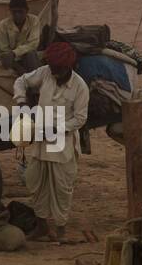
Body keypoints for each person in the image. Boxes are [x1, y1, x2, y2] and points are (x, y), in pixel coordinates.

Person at [13, 41, 89, 243]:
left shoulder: (80, 86)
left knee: (62, 188)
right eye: (53, 68)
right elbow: (21, 81)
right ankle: (41, 227)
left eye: (58, 70)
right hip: (40, 141)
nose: (54, 73)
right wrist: (21, 102)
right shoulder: (45, 72)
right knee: (36, 183)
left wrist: (56, 129)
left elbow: (80, 119)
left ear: (68, 67)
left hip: (62, 144)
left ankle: (61, 230)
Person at [0, 0, 42, 72]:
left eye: (20, 12)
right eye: (14, 12)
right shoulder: (2, 26)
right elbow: (4, 51)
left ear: (27, 11)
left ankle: (33, 77)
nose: (17, 15)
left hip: (27, 56)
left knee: (30, 54)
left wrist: (15, 53)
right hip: (9, 60)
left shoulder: (34, 21)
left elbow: (33, 43)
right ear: (10, 11)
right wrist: (18, 67)